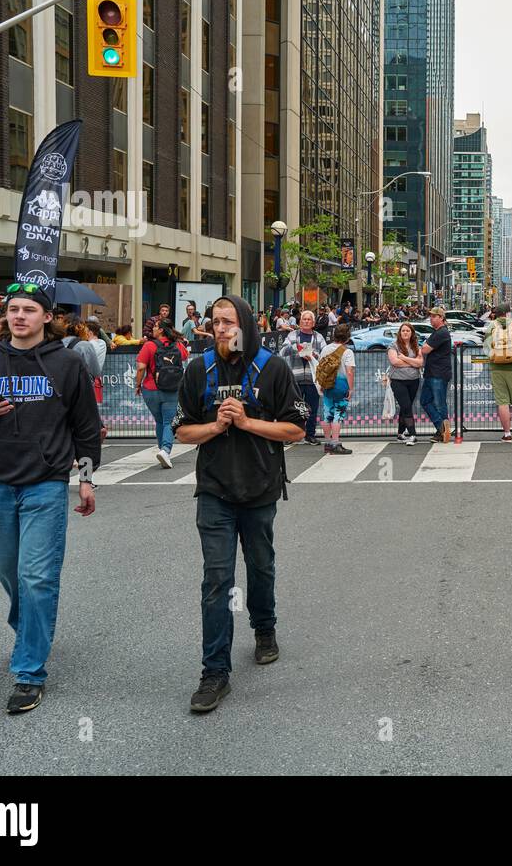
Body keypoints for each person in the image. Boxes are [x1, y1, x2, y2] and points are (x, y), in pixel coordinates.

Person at [0, 283, 101, 713]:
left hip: (46, 483)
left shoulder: (68, 364)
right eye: (13, 310)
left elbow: (86, 429)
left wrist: (87, 479)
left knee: (37, 576)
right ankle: (28, 629)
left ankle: (29, 671)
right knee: (8, 569)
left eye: (29, 310)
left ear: (46, 317)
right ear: (5, 318)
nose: (20, 316)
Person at [173, 295, 306, 713]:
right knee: (216, 578)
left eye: (229, 322)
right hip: (214, 490)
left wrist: (248, 422)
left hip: (261, 487)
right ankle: (215, 672)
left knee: (261, 564)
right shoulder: (199, 369)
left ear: (246, 324)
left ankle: (264, 627)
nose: (221, 329)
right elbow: (181, 431)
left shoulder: (272, 367)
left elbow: (297, 429)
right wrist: (215, 426)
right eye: (215, 323)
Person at [135, 320, 189, 468]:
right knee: (168, 422)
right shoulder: (177, 345)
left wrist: (138, 384)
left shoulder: (149, 346)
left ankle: (162, 450)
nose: (153, 328)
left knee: (159, 421)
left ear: (161, 331)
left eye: (156, 326)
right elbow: (185, 356)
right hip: (172, 388)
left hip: (151, 389)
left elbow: (141, 368)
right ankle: (165, 450)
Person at [280, 311, 326, 445]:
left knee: (312, 409)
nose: (306, 321)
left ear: (313, 323)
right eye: (304, 319)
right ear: (300, 322)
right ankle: (291, 435)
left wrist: (312, 355)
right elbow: (282, 351)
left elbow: (324, 356)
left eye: (308, 319)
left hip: (313, 379)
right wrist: (298, 349)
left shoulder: (319, 337)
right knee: (294, 409)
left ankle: (310, 435)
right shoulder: (292, 335)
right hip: (295, 379)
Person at [483, 305, 512, 442]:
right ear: (508, 313)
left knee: (502, 402)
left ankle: (507, 434)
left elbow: (486, 348)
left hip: (497, 368)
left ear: (496, 314)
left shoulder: (491, 327)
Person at [315, 324, 357, 454]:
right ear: (347, 337)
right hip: (341, 384)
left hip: (327, 384)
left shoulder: (325, 349)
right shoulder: (347, 352)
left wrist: (321, 384)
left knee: (327, 413)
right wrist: (351, 389)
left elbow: (321, 367)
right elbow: (349, 372)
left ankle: (328, 443)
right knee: (338, 414)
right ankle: (336, 443)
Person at [419, 307, 454, 443]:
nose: (431, 318)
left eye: (434, 316)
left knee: (439, 403)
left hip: (438, 374)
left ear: (441, 318)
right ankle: (441, 428)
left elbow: (425, 349)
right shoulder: (437, 332)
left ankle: (442, 430)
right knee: (425, 401)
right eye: (431, 316)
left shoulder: (442, 333)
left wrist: (425, 345)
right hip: (432, 373)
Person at [387, 323, 424, 445]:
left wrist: (404, 358)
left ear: (412, 333)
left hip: (413, 380)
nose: (405, 332)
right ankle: (413, 435)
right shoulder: (393, 346)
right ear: (400, 332)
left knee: (405, 407)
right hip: (398, 381)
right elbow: (395, 362)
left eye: (408, 330)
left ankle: (400, 434)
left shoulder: (416, 346)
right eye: (403, 330)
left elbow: (420, 363)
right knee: (407, 406)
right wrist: (413, 363)